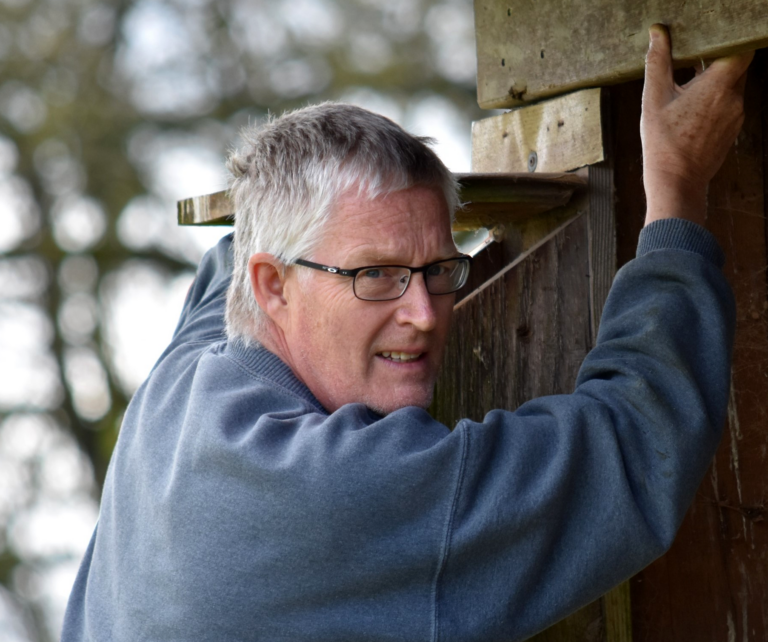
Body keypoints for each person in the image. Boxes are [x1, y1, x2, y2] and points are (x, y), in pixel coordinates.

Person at [62, 26, 753, 642]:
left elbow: (232, 257)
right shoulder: (342, 490)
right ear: (273, 285)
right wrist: (675, 191)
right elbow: (635, 447)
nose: (423, 314)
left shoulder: (182, 386)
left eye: (438, 268)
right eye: (376, 276)